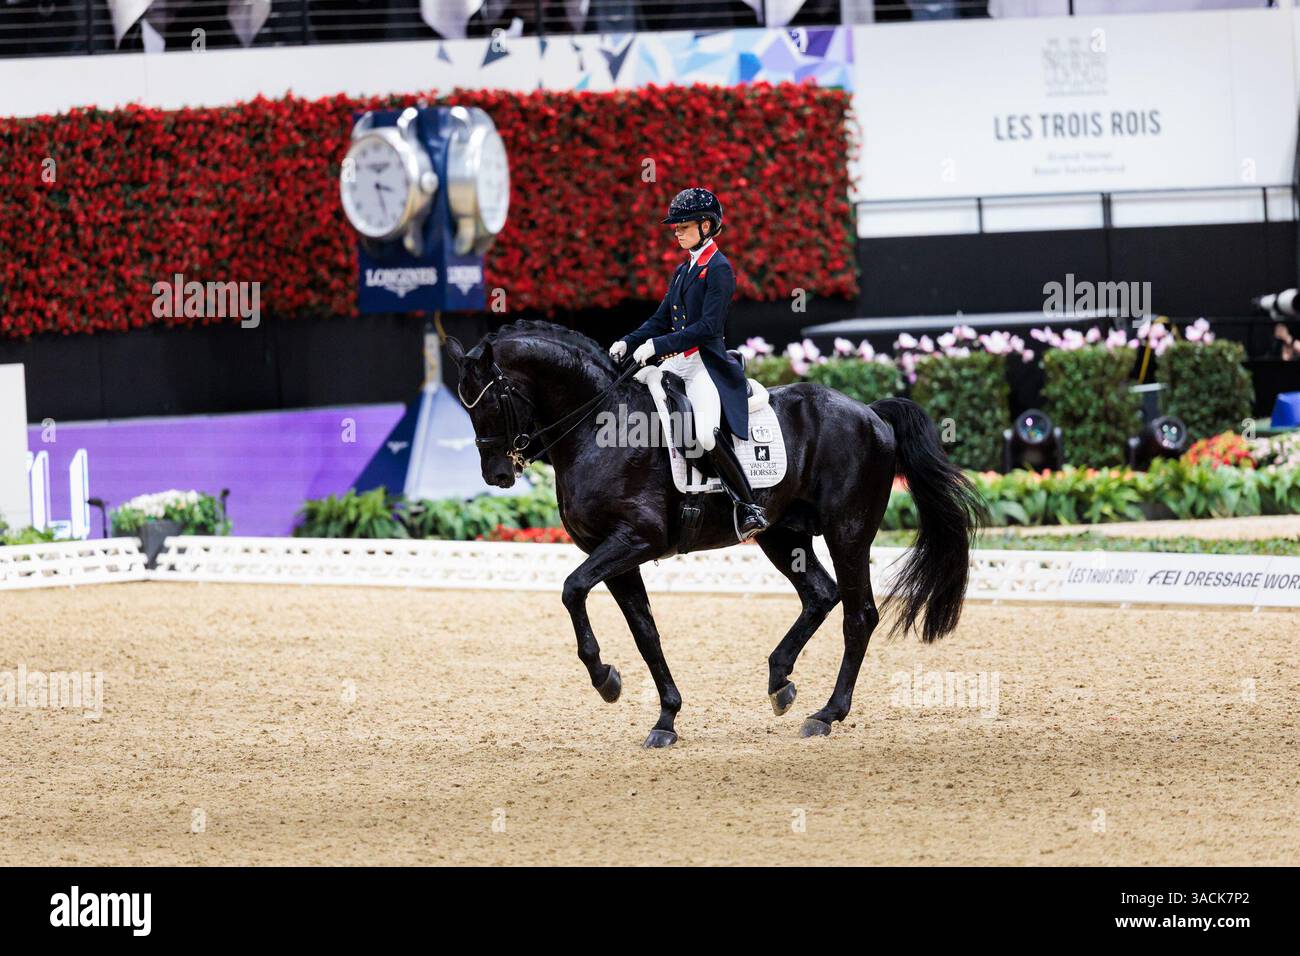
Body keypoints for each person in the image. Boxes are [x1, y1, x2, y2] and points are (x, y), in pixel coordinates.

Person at [609, 187, 769, 541]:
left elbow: (708, 327)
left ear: (707, 226)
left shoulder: (719, 269)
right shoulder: (684, 270)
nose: (677, 231)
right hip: (677, 363)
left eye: (683, 225)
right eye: (676, 226)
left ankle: (747, 505)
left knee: (705, 433)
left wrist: (656, 346)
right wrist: (630, 340)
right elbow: (661, 317)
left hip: (703, 365)